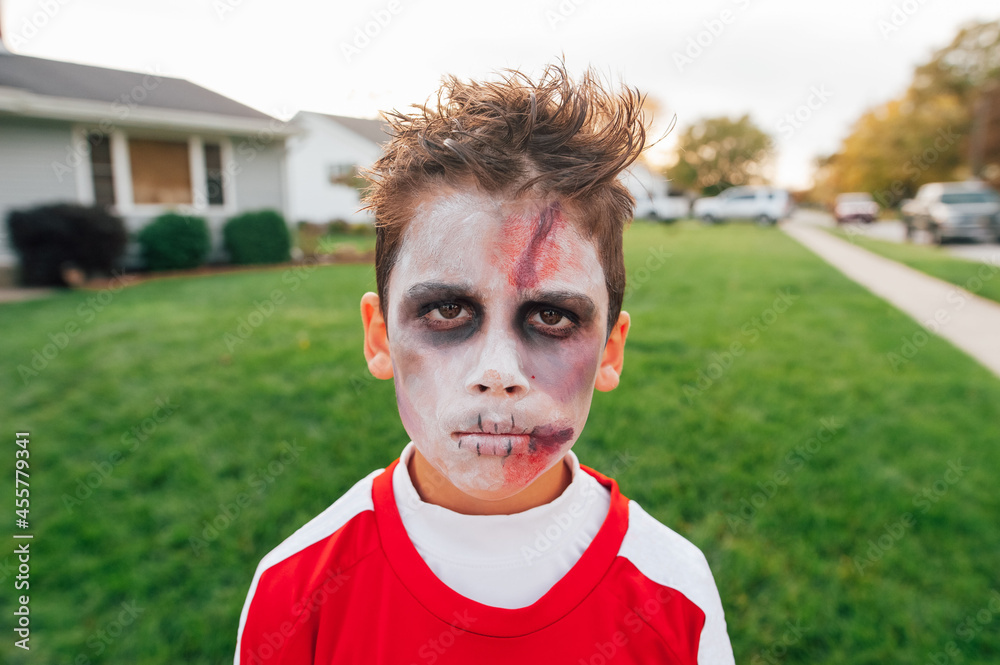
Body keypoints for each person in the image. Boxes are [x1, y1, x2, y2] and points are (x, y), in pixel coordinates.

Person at [235, 63, 735, 664]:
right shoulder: (295, 589)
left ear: (610, 351)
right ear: (379, 337)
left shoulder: (674, 591)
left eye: (552, 317)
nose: (499, 371)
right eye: (447, 309)